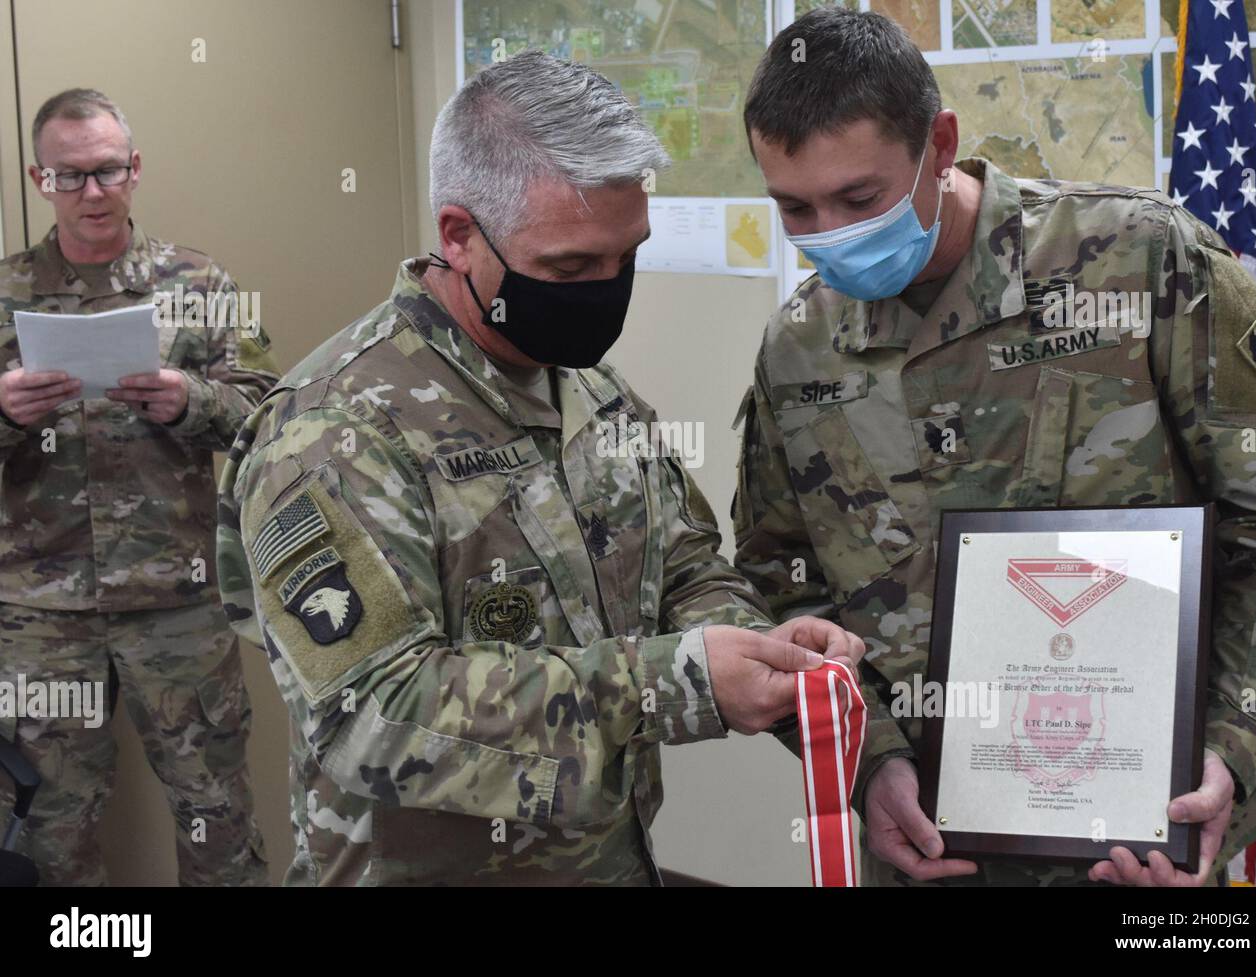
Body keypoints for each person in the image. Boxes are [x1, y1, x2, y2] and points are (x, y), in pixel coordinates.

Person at [216, 51, 864, 885]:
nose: (605, 290)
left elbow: (684, 562)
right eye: (569, 269)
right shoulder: (333, 431)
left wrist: (755, 638)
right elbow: (374, 713)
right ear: (459, 235)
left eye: (625, 258)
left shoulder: (588, 386)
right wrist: (677, 680)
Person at [732, 8, 1256, 885]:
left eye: (858, 198)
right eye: (794, 208)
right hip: (925, 848)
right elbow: (781, 577)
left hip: (1146, 843)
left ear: (941, 142)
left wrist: (1235, 749)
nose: (828, 232)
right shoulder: (797, 346)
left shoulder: (1139, 263)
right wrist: (870, 756)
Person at [0, 89, 277, 883]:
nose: (93, 192)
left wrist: (195, 400)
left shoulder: (200, 280)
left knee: (215, 810)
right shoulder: (6, 288)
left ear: (136, 169)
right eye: (70, 176)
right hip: (41, 612)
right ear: (38, 178)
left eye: (109, 171)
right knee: (49, 825)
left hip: (179, 600)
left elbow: (269, 412)